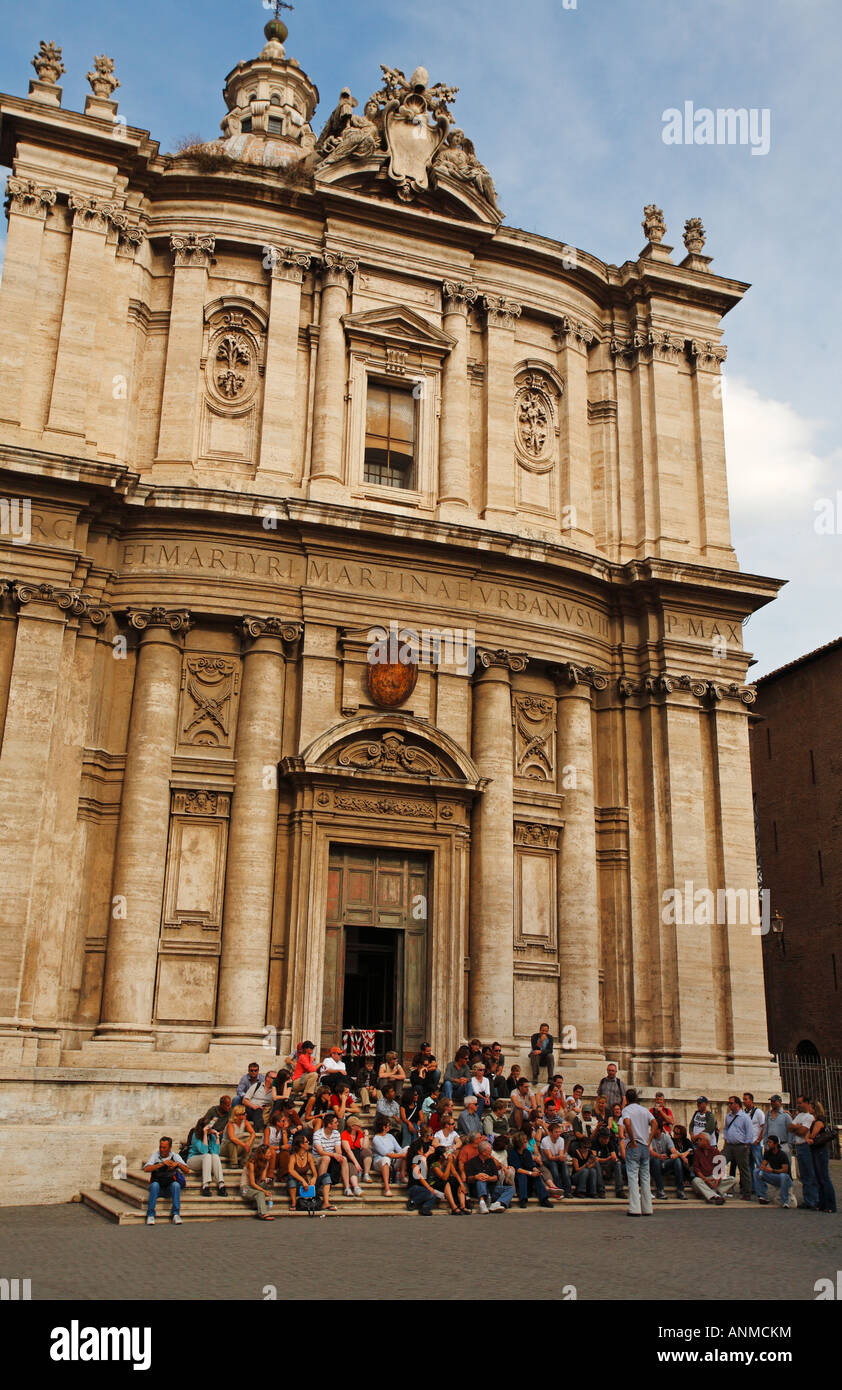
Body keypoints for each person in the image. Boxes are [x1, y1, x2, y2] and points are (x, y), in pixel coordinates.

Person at [621, 1087, 658, 1217]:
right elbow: (654, 1123)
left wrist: (632, 1138)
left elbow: (627, 1122)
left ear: (626, 1098)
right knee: (645, 1177)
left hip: (634, 1144)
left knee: (632, 1176)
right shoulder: (644, 1110)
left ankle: (635, 1208)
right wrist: (649, 1140)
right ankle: (647, 1208)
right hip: (644, 1145)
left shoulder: (626, 1110)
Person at [143, 1137, 190, 1225]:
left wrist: (178, 1164)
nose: (162, 1149)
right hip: (157, 1189)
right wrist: (161, 1164)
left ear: (170, 1147)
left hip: (169, 1188)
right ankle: (150, 1215)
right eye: (160, 1147)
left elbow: (187, 1170)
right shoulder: (155, 1156)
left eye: (164, 1147)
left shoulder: (175, 1156)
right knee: (154, 1185)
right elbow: (146, 1169)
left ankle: (176, 1214)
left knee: (176, 1185)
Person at [465, 1138, 515, 1212]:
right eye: (489, 1151)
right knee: (481, 1179)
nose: (491, 1152)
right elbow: (468, 1179)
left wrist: (489, 1178)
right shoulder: (472, 1162)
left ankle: (497, 1204)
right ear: (483, 1152)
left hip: (492, 1188)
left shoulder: (491, 1161)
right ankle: (482, 1203)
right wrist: (476, 1177)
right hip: (477, 1190)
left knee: (510, 1189)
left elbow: (495, 1177)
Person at [508, 1130, 553, 1208]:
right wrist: (530, 1173)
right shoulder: (512, 1153)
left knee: (537, 1176)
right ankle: (523, 1199)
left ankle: (544, 1199)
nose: (527, 1143)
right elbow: (517, 1169)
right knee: (522, 1175)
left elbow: (531, 1165)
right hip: (518, 1177)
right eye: (525, 1142)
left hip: (528, 1175)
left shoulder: (527, 1152)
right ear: (520, 1143)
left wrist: (536, 1170)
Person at [789, 1097, 819, 1209]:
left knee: (810, 1174)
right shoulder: (799, 1116)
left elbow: (802, 1132)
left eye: (800, 1103)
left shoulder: (809, 1117)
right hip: (799, 1147)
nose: (798, 1105)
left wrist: (796, 1127)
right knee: (803, 1175)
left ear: (806, 1103)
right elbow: (790, 1127)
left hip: (806, 1147)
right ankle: (808, 1200)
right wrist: (798, 1127)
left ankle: (814, 1200)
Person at [807, 1104, 838, 1214]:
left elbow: (811, 1136)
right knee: (819, 1178)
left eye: (810, 1107)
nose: (808, 1109)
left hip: (820, 1150)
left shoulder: (818, 1122)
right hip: (816, 1150)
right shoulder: (814, 1121)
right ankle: (822, 1203)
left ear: (814, 1109)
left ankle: (831, 1204)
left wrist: (807, 1135)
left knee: (824, 1178)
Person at [690, 1133, 737, 1204]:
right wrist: (706, 1180)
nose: (698, 1142)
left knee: (733, 1179)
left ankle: (712, 1193)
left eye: (700, 1140)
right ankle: (715, 1196)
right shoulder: (697, 1152)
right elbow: (696, 1169)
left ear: (706, 1141)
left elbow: (721, 1167)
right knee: (696, 1181)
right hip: (703, 1179)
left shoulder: (715, 1151)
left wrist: (717, 1180)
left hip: (714, 1178)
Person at [186, 1116, 227, 1197]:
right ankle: (205, 1185)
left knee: (214, 1156)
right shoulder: (196, 1135)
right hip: (193, 1160)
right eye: (208, 1127)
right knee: (207, 1155)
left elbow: (216, 1152)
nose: (210, 1129)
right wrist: (204, 1134)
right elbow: (203, 1151)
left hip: (206, 1160)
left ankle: (221, 1184)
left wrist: (217, 1137)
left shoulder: (211, 1136)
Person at [723, 1095, 754, 1200]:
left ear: (737, 1104)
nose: (729, 1105)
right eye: (729, 1103)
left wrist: (747, 1144)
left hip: (741, 1146)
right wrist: (726, 1139)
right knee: (720, 1162)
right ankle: (720, 1188)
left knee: (744, 1169)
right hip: (729, 1145)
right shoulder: (728, 1116)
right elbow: (726, 1129)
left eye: (731, 1103)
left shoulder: (745, 1117)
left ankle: (747, 1192)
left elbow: (749, 1132)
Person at [311, 1113, 345, 1207]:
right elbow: (320, 1152)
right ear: (329, 1125)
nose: (338, 1124)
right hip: (317, 1158)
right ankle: (321, 1185)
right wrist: (334, 1154)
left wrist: (338, 1155)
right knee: (326, 1158)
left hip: (331, 1156)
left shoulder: (336, 1133)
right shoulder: (317, 1134)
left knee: (344, 1159)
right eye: (335, 1122)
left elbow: (338, 1149)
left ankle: (347, 1187)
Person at [406, 1131, 444, 1215]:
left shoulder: (422, 1159)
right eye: (422, 1149)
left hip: (421, 1187)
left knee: (434, 1195)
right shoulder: (415, 1162)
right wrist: (429, 1187)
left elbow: (425, 1173)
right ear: (418, 1150)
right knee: (430, 1193)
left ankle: (425, 1208)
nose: (424, 1150)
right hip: (413, 1187)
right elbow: (420, 1177)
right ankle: (413, 1202)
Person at [371, 1117, 408, 1194]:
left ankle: (402, 1175)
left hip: (393, 1161)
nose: (389, 1127)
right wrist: (402, 1156)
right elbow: (387, 1154)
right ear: (383, 1127)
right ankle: (387, 1188)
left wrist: (405, 1153)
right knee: (386, 1159)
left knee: (407, 1148)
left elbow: (399, 1149)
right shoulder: (376, 1139)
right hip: (380, 1161)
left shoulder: (390, 1136)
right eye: (388, 1126)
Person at [755, 1136, 795, 1208]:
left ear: (776, 1144)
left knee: (783, 1176)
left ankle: (785, 1202)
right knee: (756, 1171)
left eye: (770, 1142)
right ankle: (762, 1196)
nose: (768, 1144)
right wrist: (763, 1168)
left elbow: (785, 1170)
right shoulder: (768, 1153)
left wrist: (772, 1170)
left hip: (786, 1179)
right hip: (775, 1176)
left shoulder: (782, 1155)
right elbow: (763, 1164)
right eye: (768, 1142)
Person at [649, 1124, 686, 1199]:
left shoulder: (666, 1137)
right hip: (652, 1164)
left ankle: (680, 1190)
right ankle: (660, 1190)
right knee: (655, 1160)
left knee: (677, 1160)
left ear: (659, 1130)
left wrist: (674, 1155)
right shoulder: (649, 1137)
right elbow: (650, 1151)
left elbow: (673, 1150)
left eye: (654, 1129)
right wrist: (659, 1156)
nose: (651, 1130)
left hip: (663, 1163)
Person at [429, 1144, 468, 1213]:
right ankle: (454, 1207)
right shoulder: (435, 1165)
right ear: (441, 1156)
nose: (448, 1154)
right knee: (446, 1183)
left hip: (444, 1182)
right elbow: (444, 1177)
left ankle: (462, 1206)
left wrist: (461, 1184)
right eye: (446, 1153)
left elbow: (455, 1173)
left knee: (457, 1181)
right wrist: (450, 1162)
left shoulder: (446, 1162)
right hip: (434, 1183)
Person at [241, 1144, 276, 1220]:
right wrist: (264, 1191)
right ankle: (263, 1213)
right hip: (245, 1188)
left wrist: (267, 1180)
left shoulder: (266, 1162)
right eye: (268, 1152)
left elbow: (262, 1178)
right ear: (262, 1154)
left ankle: (256, 1204)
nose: (270, 1154)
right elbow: (252, 1183)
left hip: (256, 1185)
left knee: (266, 1183)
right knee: (260, 1193)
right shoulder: (252, 1163)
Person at [286, 1133, 318, 1213]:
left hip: (305, 1184)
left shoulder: (309, 1156)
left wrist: (314, 1178)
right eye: (306, 1142)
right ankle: (293, 1203)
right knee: (291, 1179)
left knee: (326, 1176)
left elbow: (314, 1172)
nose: (308, 1143)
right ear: (301, 1145)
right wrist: (302, 1180)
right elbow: (291, 1170)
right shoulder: (293, 1156)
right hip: (295, 1183)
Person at [540, 1122, 572, 1197]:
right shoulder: (545, 1140)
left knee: (564, 1165)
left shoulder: (561, 1140)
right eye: (556, 1132)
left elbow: (561, 1154)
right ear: (550, 1132)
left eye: (559, 1132)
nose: (558, 1134)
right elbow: (549, 1157)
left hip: (556, 1159)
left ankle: (568, 1191)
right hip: (547, 1161)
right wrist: (560, 1157)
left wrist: (562, 1157)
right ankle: (558, 1189)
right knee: (553, 1165)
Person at [593, 1126, 626, 1198]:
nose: (606, 1140)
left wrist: (613, 1159)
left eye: (607, 1138)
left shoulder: (610, 1143)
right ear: (600, 1137)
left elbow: (614, 1156)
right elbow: (594, 1158)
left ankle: (620, 1190)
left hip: (607, 1164)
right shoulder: (594, 1142)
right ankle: (601, 1190)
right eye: (604, 1138)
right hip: (597, 1165)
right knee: (596, 1163)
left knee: (617, 1163)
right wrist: (607, 1159)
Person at [341, 1114, 373, 1186]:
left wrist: (366, 1135)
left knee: (367, 1152)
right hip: (349, 1157)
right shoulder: (344, 1134)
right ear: (352, 1126)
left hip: (358, 1154)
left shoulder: (359, 1133)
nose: (360, 1126)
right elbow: (348, 1150)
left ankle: (366, 1174)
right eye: (358, 1125)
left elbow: (364, 1147)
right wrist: (356, 1163)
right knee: (351, 1166)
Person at [235, 1062, 268, 1132]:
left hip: (258, 1102)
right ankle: (234, 1118)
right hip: (247, 1102)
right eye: (251, 1070)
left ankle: (259, 1128)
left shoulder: (263, 1079)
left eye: (255, 1070)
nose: (253, 1072)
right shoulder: (245, 1078)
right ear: (248, 1071)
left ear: (258, 1071)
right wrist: (246, 1097)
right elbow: (239, 1091)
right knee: (236, 1099)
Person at [743, 1091, 765, 1179]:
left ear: (751, 1100)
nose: (744, 1101)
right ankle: (752, 1187)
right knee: (749, 1166)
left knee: (759, 1165)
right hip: (748, 1143)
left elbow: (764, 1127)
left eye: (745, 1099)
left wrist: (758, 1140)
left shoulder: (758, 1112)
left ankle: (761, 1187)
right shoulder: (744, 1113)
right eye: (743, 1099)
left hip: (756, 1143)